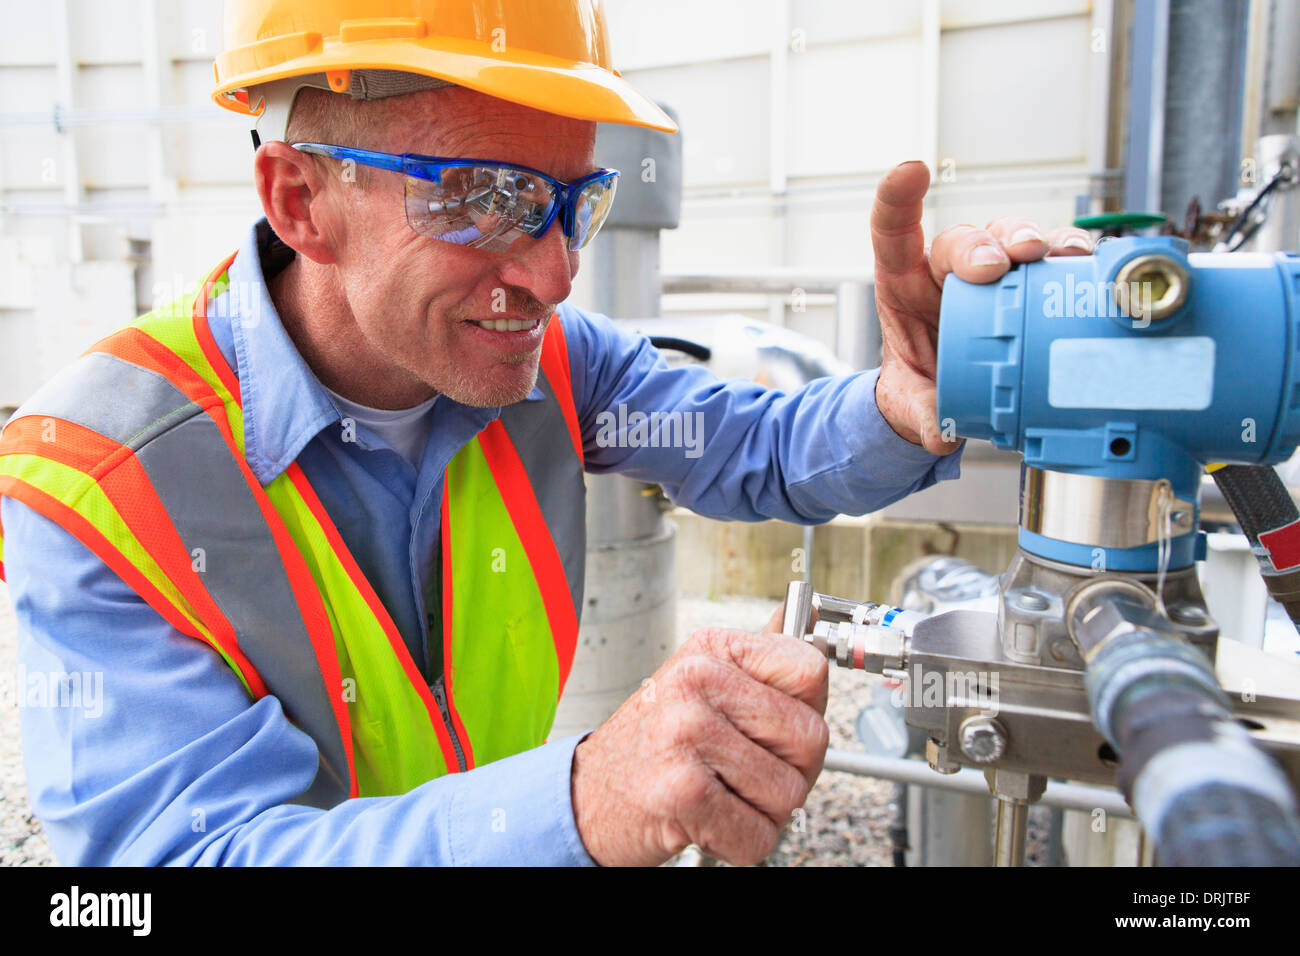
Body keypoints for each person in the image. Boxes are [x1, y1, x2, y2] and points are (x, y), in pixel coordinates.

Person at [0, 0, 1093, 866]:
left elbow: (752, 446)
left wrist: (904, 400)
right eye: (485, 195)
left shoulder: (549, 370)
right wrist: (579, 800)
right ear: (299, 199)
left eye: (576, 200)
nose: (555, 270)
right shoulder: (97, 479)